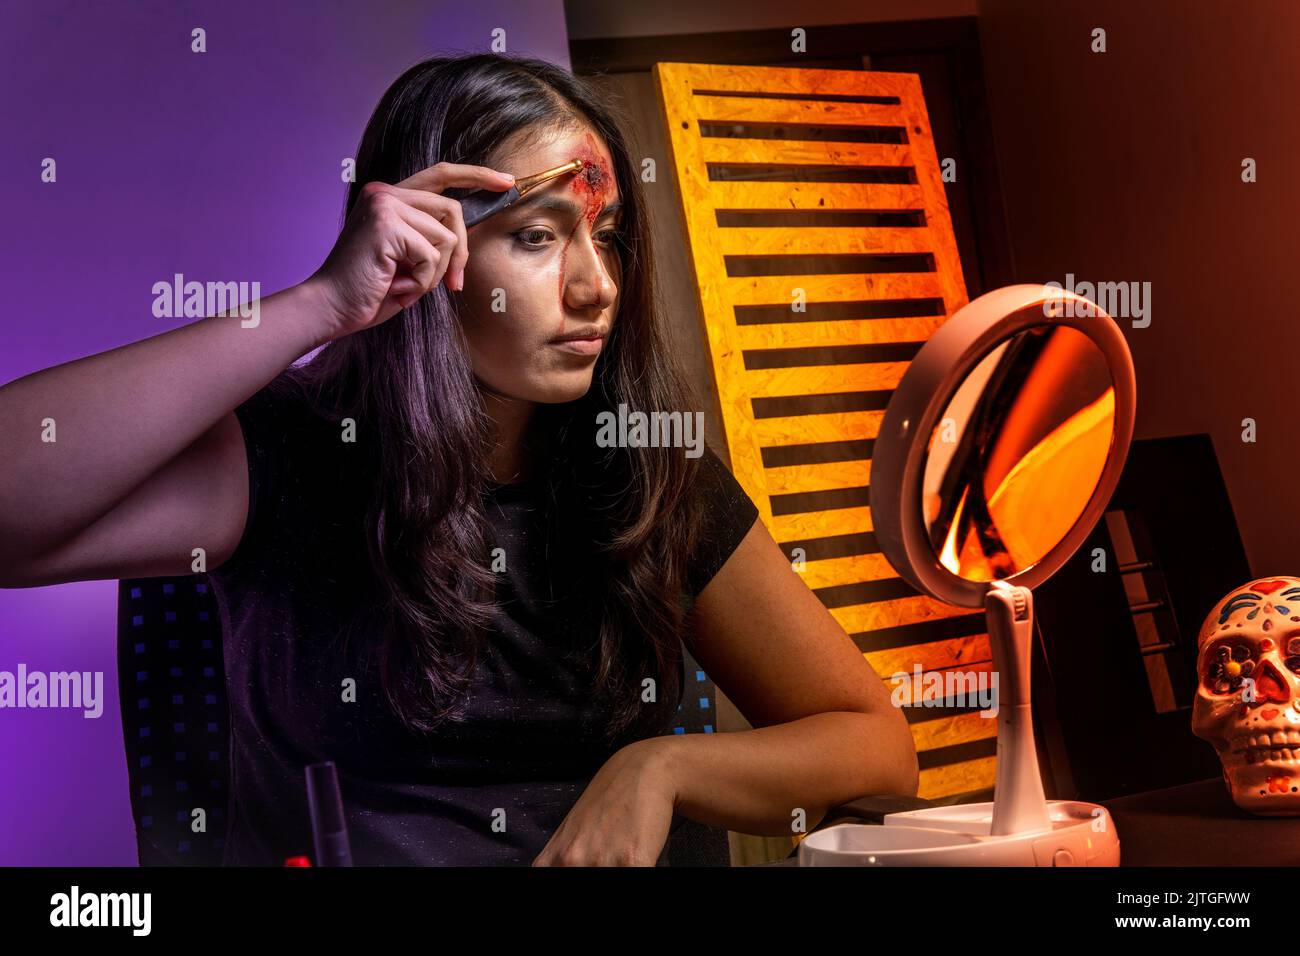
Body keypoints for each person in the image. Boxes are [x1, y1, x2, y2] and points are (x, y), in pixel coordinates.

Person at [0, 53, 919, 866]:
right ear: (424, 247)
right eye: (537, 235)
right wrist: (321, 302)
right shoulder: (289, 456)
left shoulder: (641, 472)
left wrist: (662, 768)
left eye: (608, 238)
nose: (597, 284)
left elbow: (877, 747)